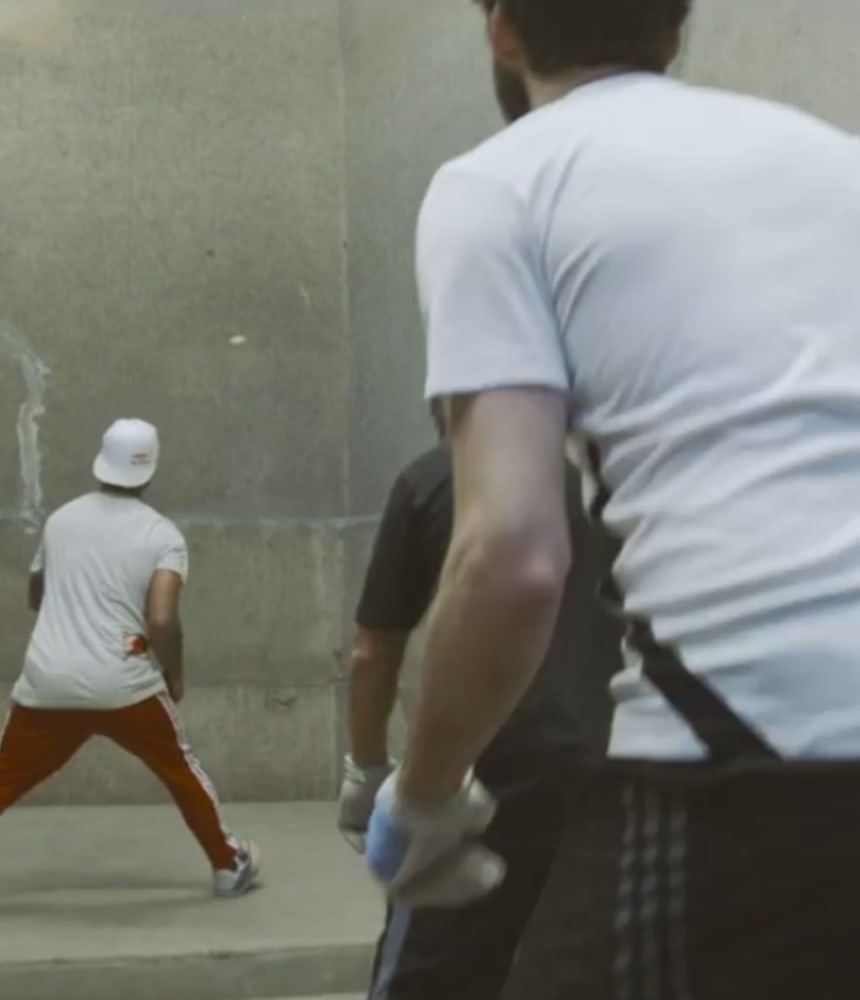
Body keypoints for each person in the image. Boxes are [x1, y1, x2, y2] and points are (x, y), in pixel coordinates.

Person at [363, 1, 860, 998]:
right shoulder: (838, 160)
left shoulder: (497, 184)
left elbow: (510, 553)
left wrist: (420, 797)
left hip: (743, 747)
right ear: (675, 28)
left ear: (500, 31)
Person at [0, 418, 260, 922]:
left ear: (101, 460)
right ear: (151, 467)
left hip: (48, 683)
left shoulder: (61, 521)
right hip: (124, 685)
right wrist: (174, 676)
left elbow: (35, 595)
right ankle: (228, 865)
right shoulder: (163, 536)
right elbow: (161, 619)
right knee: (180, 771)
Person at [340, 401, 620, 1000]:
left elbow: (372, 651)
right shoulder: (611, 489)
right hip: (610, 769)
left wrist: (367, 774)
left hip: (484, 775)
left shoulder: (434, 476)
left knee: (428, 972)